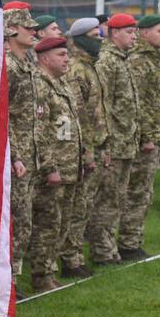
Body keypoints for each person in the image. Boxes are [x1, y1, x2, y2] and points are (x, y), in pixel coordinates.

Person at [29, 36, 83, 292]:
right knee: (47, 223)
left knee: (60, 222)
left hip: (69, 166)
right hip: (52, 170)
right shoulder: (40, 86)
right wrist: (50, 167)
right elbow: (40, 131)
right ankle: (40, 274)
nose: (66, 59)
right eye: (61, 55)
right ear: (45, 57)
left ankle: (49, 270)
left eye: (67, 55)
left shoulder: (61, 84)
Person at [87, 13, 140, 265]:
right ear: (114, 33)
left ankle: (109, 248)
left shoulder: (122, 59)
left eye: (134, 32)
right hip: (114, 142)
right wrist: (105, 142)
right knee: (107, 198)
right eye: (129, 32)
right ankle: (102, 250)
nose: (134, 37)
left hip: (125, 141)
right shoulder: (107, 60)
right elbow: (102, 105)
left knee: (117, 197)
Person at [119, 14, 160, 260]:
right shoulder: (139, 61)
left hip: (152, 135)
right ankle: (128, 242)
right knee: (137, 191)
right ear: (145, 33)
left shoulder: (153, 59)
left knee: (144, 192)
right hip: (142, 140)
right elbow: (137, 103)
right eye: (159, 31)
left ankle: (134, 238)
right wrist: (147, 136)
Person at [59, 17, 105, 278]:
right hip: (83, 148)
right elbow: (78, 115)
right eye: (94, 34)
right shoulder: (77, 69)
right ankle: (70, 258)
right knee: (77, 207)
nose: (99, 38)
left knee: (85, 205)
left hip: (95, 145)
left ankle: (74, 254)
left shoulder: (91, 66)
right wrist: (87, 151)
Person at [3, 1, 39, 285]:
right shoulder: (8, 67)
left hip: (30, 153)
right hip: (14, 157)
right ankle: (7, 282)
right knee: (13, 221)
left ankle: (14, 276)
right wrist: (14, 155)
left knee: (24, 222)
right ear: (12, 30)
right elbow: (3, 116)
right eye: (28, 28)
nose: (34, 33)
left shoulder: (27, 63)